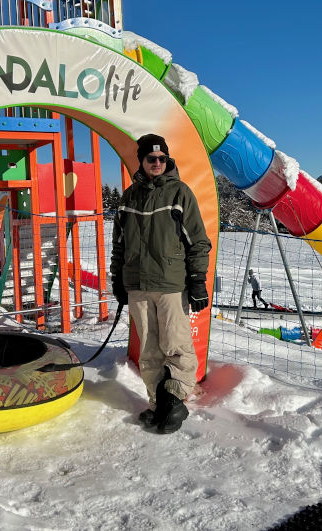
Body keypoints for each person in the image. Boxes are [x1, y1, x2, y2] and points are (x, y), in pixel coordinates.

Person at [110, 134, 212, 434]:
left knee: (175, 345)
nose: (157, 163)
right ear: (141, 161)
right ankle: (157, 403)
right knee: (149, 351)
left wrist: (197, 280)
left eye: (162, 159)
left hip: (170, 284)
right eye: (151, 158)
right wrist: (117, 279)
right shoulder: (129, 197)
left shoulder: (180, 193)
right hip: (137, 286)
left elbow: (198, 241)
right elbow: (119, 245)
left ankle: (174, 399)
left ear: (167, 161)